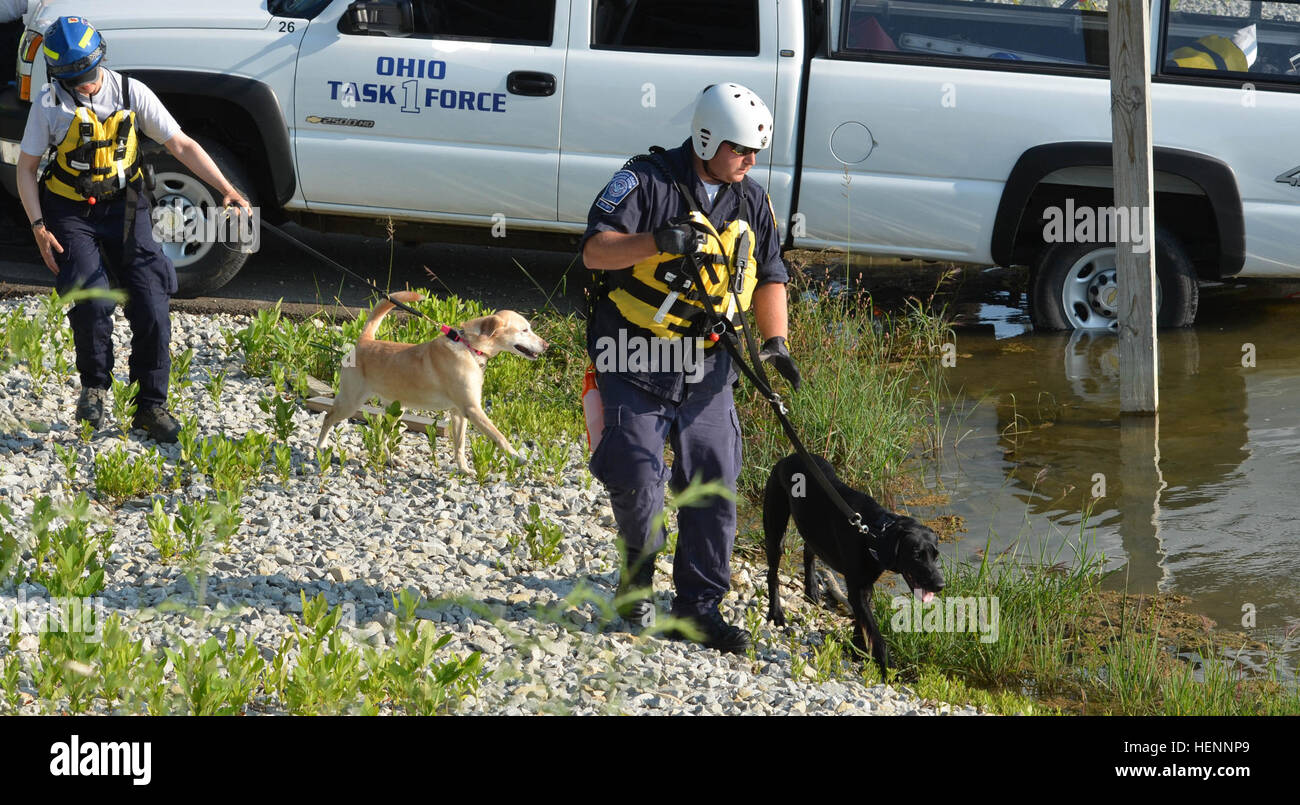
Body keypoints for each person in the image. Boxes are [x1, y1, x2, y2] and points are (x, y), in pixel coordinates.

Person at [581, 83, 801, 654]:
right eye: (741, 150)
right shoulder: (644, 181)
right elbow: (595, 251)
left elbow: (771, 274)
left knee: (713, 483)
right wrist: (654, 240)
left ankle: (698, 610)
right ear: (706, 138)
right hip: (635, 355)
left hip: (708, 364)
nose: (750, 161)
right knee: (636, 475)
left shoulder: (751, 198)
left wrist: (776, 343)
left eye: (757, 152)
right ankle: (635, 580)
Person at [15, 16, 250, 442]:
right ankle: (94, 388)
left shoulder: (131, 92)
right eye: (74, 78)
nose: (85, 84)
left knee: (152, 300)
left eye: (88, 73)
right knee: (90, 301)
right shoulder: (48, 104)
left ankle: (150, 406)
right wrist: (37, 225)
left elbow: (181, 144)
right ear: (58, 75)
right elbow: (27, 168)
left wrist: (226, 189)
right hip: (69, 209)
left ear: (99, 60)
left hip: (126, 205)